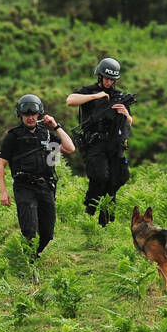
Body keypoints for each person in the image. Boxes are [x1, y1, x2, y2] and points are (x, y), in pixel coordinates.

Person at [0, 94, 75, 257]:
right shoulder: (13, 136)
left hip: (46, 186)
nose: (30, 118)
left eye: (33, 114)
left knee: (47, 232)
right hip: (24, 187)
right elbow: (0, 164)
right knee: (30, 230)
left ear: (39, 114)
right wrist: (3, 191)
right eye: (26, 114)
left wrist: (56, 126)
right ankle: (28, 261)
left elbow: (70, 148)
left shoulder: (46, 134)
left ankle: (33, 254)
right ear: (20, 115)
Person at [66, 58, 133, 226]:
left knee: (117, 178)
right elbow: (70, 100)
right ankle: (90, 207)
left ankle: (106, 220)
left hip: (114, 144)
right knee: (100, 177)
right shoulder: (90, 91)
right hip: (94, 144)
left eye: (112, 79)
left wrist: (125, 114)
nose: (109, 82)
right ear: (100, 76)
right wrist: (96, 96)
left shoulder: (119, 96)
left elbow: (129, 123)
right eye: (106, 78)